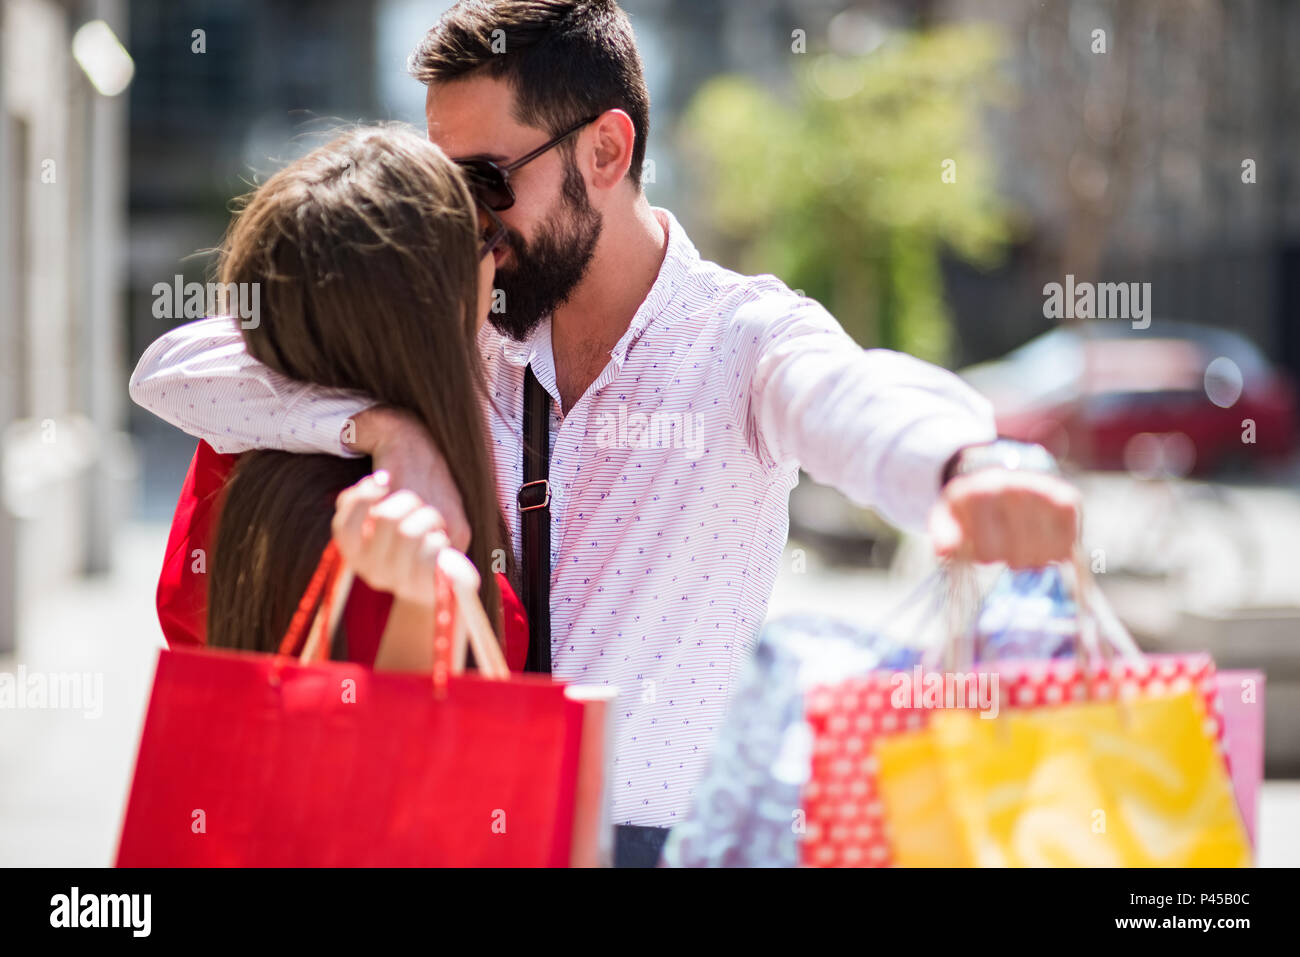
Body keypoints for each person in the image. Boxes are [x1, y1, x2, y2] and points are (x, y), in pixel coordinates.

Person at [130, 1, 1079, 864]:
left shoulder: (739, 337)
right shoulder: (460, 322)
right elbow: (181, 367)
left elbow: (849, 394)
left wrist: (967, 464)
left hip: (660, 845)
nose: (468, 222)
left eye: (487, 180)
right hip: (461, 830)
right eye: (447, 186)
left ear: (607, 151)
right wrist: (377, 429)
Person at [176, 124, 527, 670]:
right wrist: (420, 603)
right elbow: (398, 722)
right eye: (482, 238)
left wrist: (385, 429)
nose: (498, 255)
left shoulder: (230, 456)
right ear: (434, 306)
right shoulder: (398, 533)